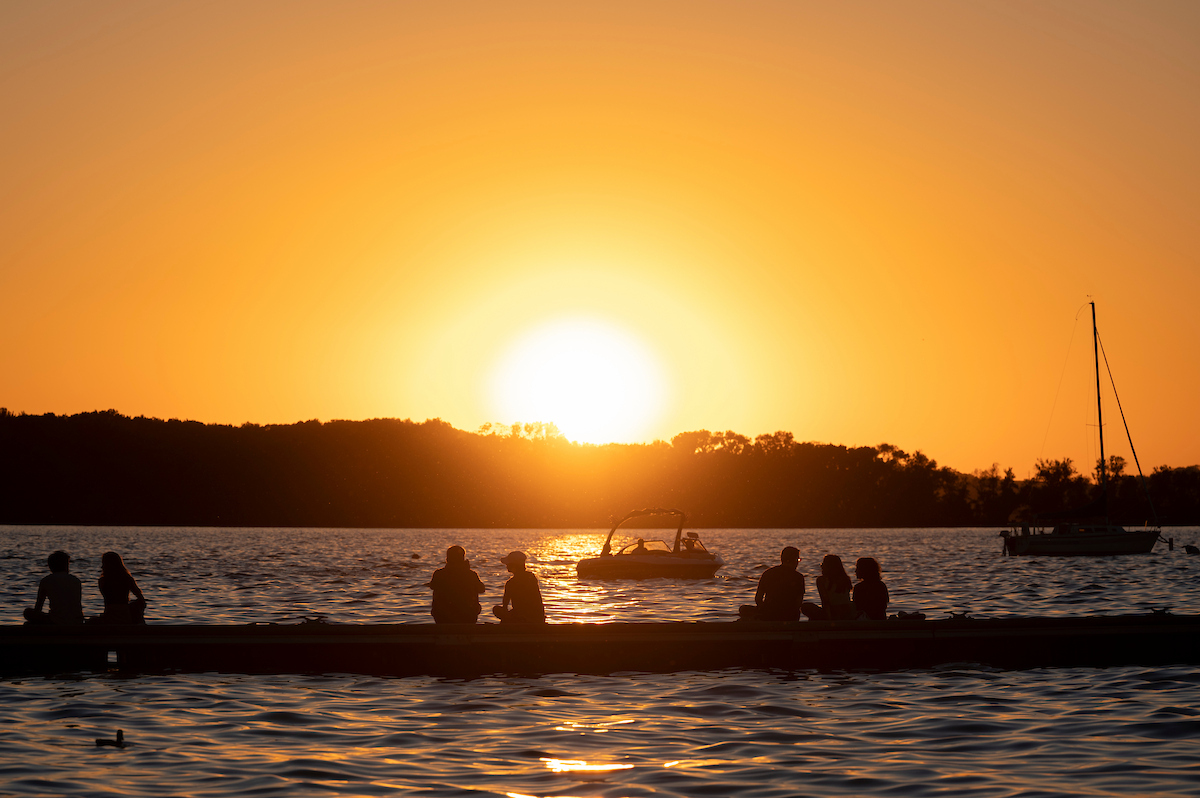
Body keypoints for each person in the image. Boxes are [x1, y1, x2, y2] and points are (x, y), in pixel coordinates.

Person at [739, 546, 805, 621]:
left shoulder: (768, 573)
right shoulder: (798, 577)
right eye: (798, 560)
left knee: (743, 609)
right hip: (789, 616)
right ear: (794, 560)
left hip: (768, 614)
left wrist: (763, 609)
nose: (798, 563)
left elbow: (758, 598)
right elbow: (798, 602)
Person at [23, 550, 85, 625]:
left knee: (27, 612)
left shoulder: (46, 580)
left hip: (56, 621)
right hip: (77, 621)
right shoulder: (76, 580)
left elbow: (38, 607)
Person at [429, 546, 485, 623]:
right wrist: (466, 570)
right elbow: (481, 589)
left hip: (443, 617)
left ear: (447, 559)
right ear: (462, 559)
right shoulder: (470, 574)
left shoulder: (439, 574)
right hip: (467, 616)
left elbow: (432, 586)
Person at [492, 551, 546, 624]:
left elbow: (505, 606)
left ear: (513, 565)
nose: (506, 566)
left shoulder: (510, 583)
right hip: (537, 617)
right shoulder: (531, 577)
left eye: (508, 564)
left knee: (496, 609)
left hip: (522, 618)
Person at [96, 551, 147, 624]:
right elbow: (141, 599)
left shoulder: (102, 581)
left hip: (109, 615)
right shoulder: (127, 579)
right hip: (125, 615)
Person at [801, 554, 854, 621]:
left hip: (833, 613)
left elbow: (825, 602)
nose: (821, 565)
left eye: (823, 563)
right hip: (847, 613)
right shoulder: (845, 579)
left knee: (805, 607)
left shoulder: (821, 580)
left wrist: (829, 619)